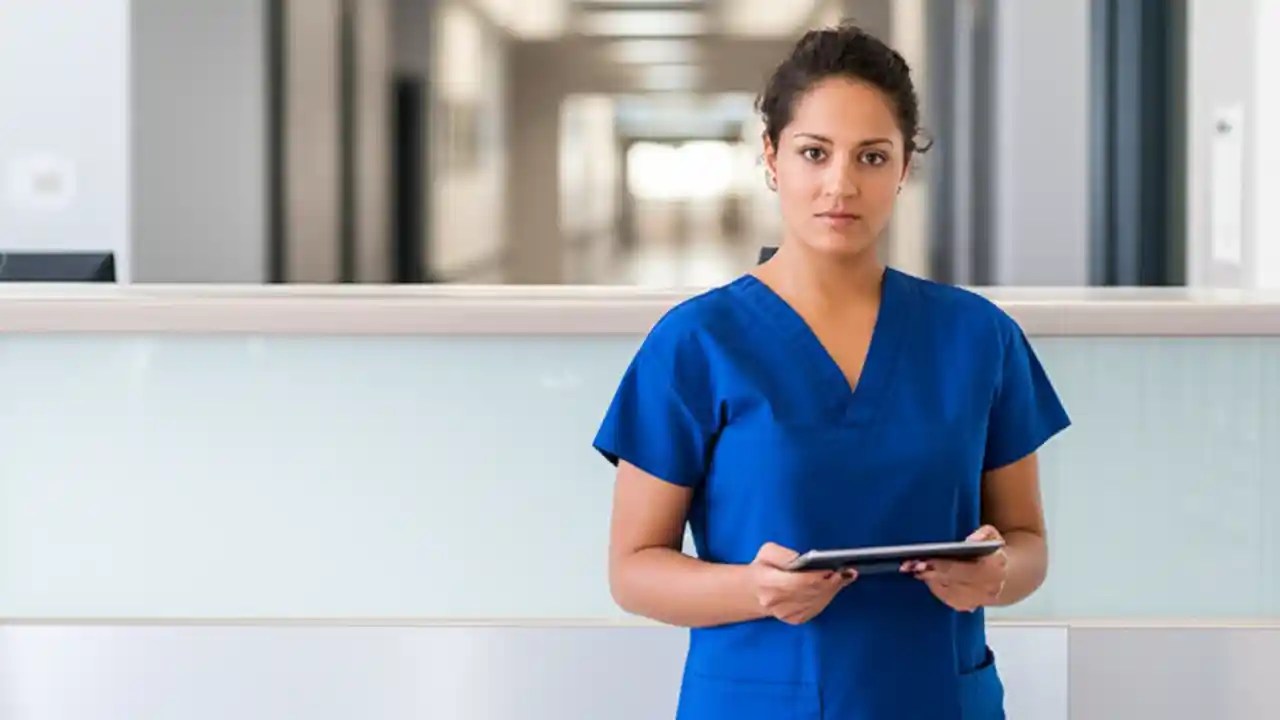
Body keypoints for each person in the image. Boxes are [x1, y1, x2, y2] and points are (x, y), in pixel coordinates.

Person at [591, 22, 1070, 720]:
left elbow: (1026, 546)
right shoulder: (697, 343)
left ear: (904, 168)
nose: (840, 184)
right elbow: (633, 570)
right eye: (815, 152)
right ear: (772, 158)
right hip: (759, 700)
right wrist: (755, 591)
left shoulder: (979, 337)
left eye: (872, 157)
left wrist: (992, 577)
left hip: (939, 697)